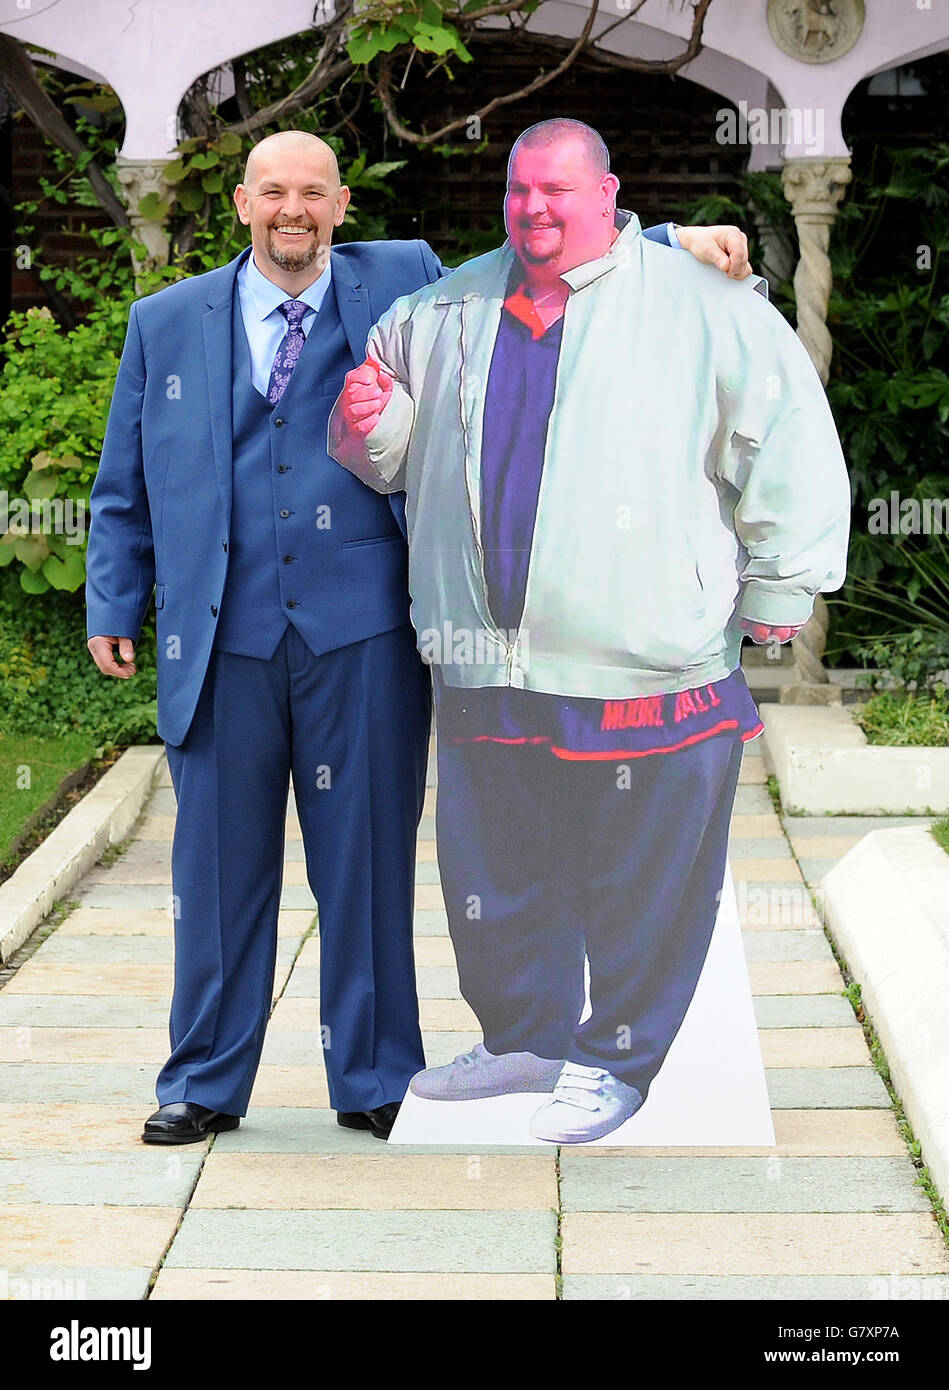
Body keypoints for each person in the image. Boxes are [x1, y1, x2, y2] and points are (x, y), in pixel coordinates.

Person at [85, 127, 756, 1145]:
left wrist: (665, 239)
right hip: (220, 639)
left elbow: (536, 267)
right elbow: (123, 484)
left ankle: (373, 1075)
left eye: (312, 192)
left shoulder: (402, 283)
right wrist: (111, 602)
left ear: (341, 205)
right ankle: (203, 1082)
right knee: (214, 876)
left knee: (365, 865)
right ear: (240, 204)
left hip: (362, 634)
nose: (292, 210)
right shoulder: (166, 322)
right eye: (273, 192)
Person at [329, 118, 851, 1143]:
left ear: (608, 195)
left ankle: (618, 1055)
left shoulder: (702, 302)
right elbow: (385, 455)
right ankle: (523, 1038)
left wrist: (782, 585)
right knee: (495, 866)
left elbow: (782, 432)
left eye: (558, 193)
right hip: (485, 654)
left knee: (643, 870)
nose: (534, 211)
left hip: (648, 657)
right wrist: (367, 423)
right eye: (520, 192)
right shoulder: (442, 309)